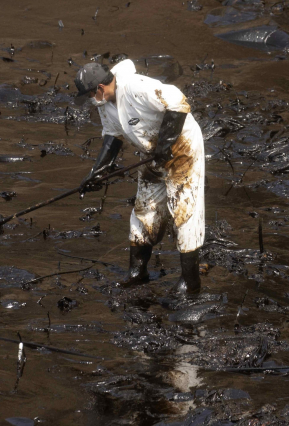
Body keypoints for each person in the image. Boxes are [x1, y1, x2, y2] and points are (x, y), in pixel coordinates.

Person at [73, 59, 205, 294]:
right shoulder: (105, 105)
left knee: (184, 210)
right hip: (153, 154)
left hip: (181, 148)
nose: (91, 101)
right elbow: (112, 137)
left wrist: (165, 146)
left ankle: (190, 281)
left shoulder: (135, 86)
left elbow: (178, 101)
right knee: (145, 208)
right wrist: (95, 173)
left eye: (91, 94)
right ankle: (138, 271)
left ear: (100, 89)